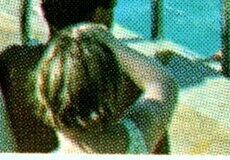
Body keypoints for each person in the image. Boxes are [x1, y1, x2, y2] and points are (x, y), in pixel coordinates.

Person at [0, 0, 171, 153]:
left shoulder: (11, 64)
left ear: (44, 10)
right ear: (99, 17)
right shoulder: (123, 84)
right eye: (112, 8)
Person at [33, 23, 177, 155]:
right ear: (113, 91)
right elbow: (163, 82)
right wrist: (110, 42)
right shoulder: (133, 143)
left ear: (44, 96)